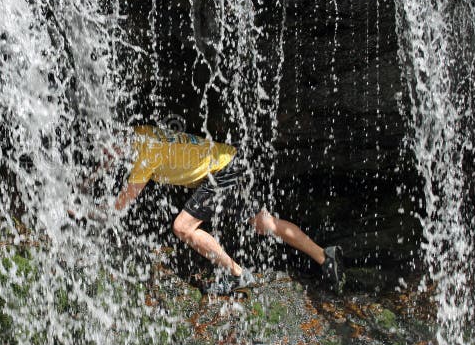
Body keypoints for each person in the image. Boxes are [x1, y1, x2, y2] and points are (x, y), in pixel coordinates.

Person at [113, 125, 344, 296]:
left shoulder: (145, 156)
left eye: (109, 149)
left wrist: (90, 213)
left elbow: (123, 203)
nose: (109, 156)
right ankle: (324, 256)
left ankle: (237, 275)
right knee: (261, 222)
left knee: (182, 227)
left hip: (221, 171)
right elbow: (111, 153)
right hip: (233, 160)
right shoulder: (141, 132)